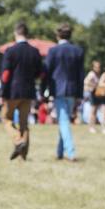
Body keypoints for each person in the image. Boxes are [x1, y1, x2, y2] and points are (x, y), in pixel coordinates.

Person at [0, 23, 44, 159]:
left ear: (15, 33)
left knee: (6, 118)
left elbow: (6, 74)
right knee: (24, 123)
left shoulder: (10, 51)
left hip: (13, 92)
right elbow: (41, 73)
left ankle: (18, 141)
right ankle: (23, 155)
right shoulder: (35, 52)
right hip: (29, 91)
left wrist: (2, 93)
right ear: (27, 34)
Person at [43, 22, 84, 162]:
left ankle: (70, 152)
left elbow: (46, 73)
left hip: (58, 90)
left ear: (57, 35)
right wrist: (80, 94)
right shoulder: (77, 51)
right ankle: (60, 152)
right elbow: (80, 75)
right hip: (72, 90)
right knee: (63, 119)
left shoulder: (53, 51)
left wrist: (44, 91)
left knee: (63, 120)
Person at [82, 59, 101, 132]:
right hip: (92, 94)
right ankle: (91, 127)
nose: (98, 68)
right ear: (93, 67)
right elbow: (86, 82)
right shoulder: (92, 74)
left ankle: (93, 126)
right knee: (93, 111)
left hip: (96, 94)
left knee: (95, 111)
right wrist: (94, 86)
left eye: (99, 67)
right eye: (96, 67)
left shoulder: (97, 74)